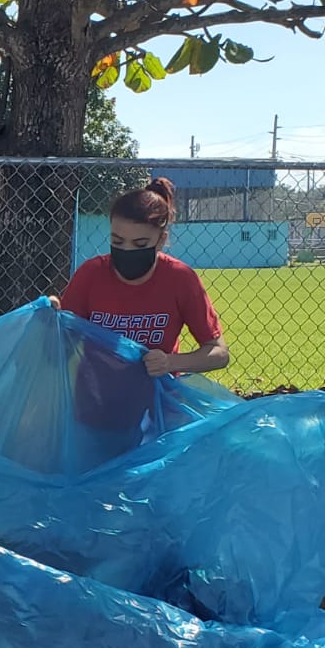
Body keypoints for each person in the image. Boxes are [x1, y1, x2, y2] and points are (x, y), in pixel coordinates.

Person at [56, 177, 230, 459]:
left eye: (140, 243)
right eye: (117, 241)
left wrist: (171, 362)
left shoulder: (179, 279)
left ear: (161, 240)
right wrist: (50, 318)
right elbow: (58, 347)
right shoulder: (92, 274)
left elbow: (219, 353)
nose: (126, 251)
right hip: (96, 412)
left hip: (158, 413)